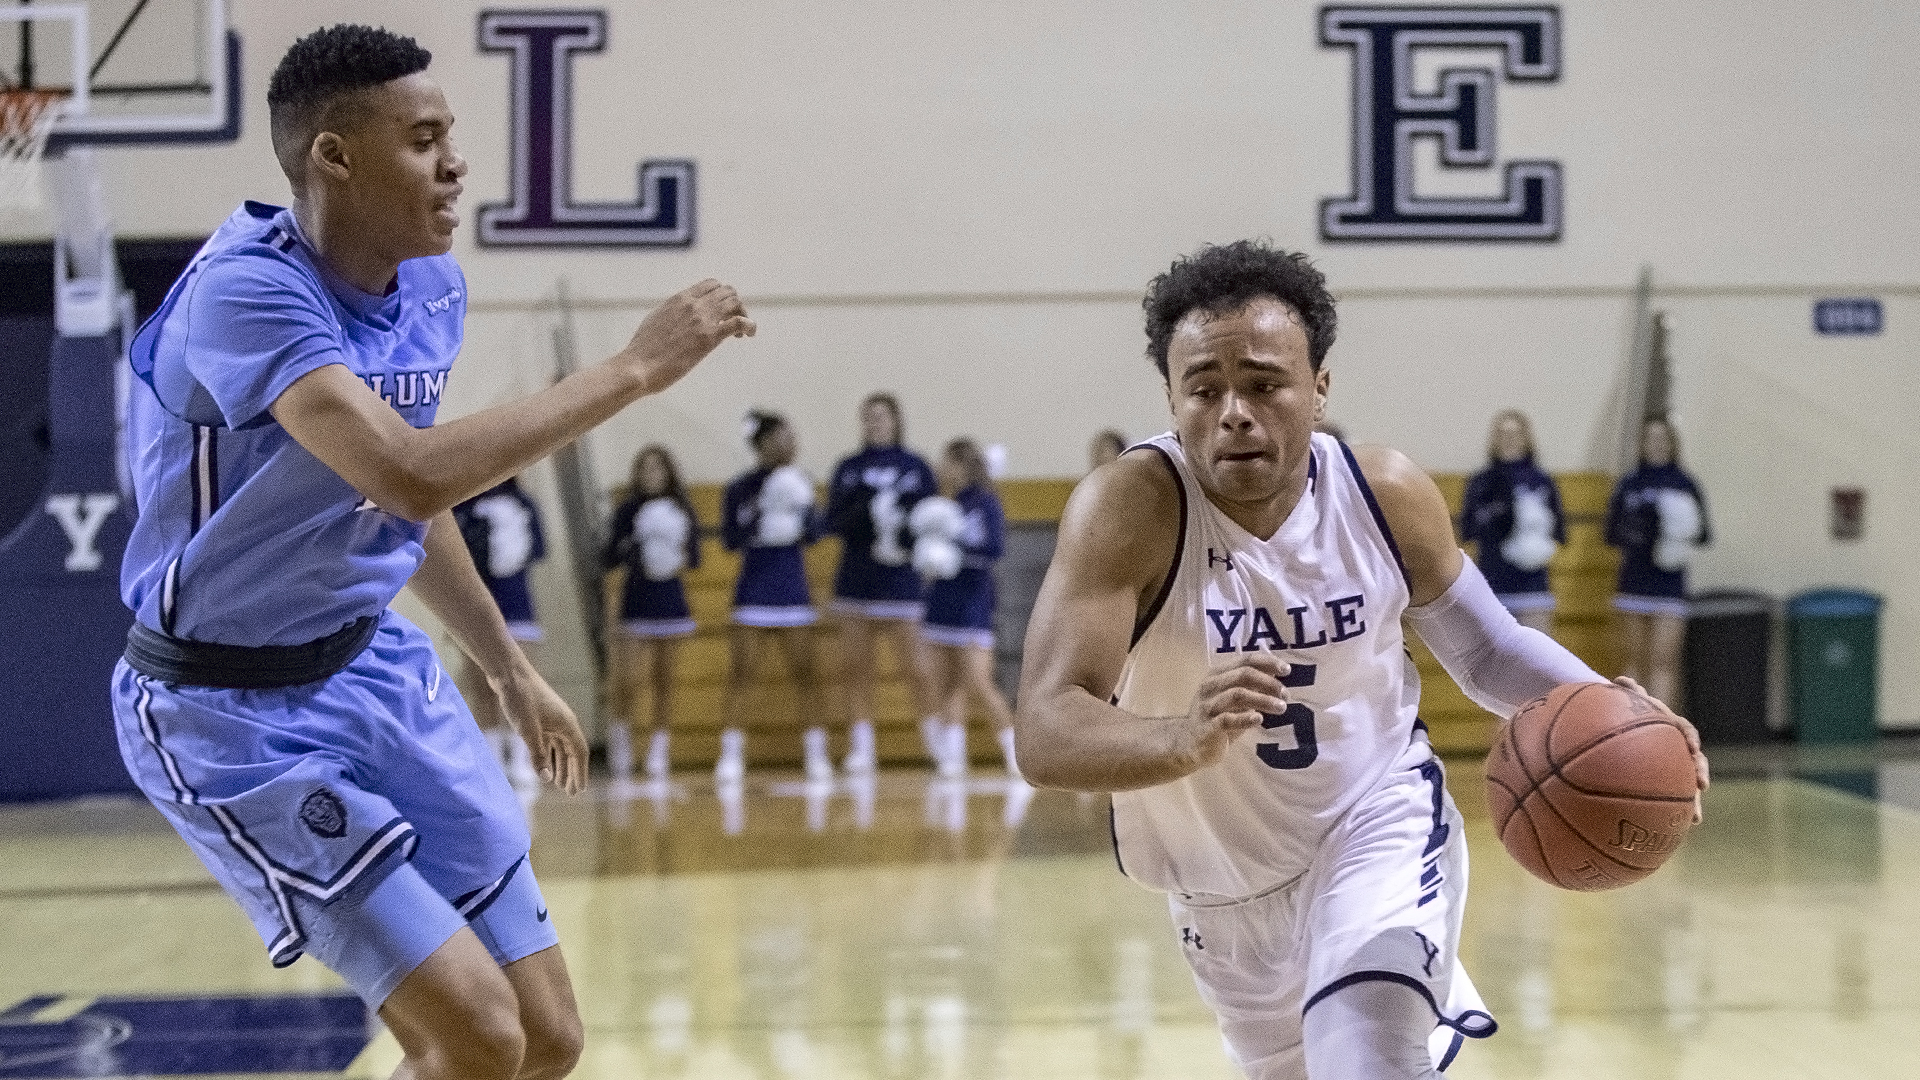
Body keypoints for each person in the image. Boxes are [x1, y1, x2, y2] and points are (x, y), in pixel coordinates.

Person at [109, 26, 752, 1080]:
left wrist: (509, 667)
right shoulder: (246, 292)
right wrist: (634, 369)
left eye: (452, 136)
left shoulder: (431, 289)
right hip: (227, 710)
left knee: (545, 1039)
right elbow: (407, 470)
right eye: (423, 139)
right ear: (334, 156)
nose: (456, 163)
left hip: (372, 669)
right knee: (475, 1035)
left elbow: (407, 501)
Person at [1013, 240, 1707, 1080]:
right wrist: (1179, 736)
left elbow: (1487, 649)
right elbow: (1046, 731)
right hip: (1221, 888)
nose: (1234, 411)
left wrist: (1631, 722)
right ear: (1171, 395)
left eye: (1264, 384)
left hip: (1375, 824)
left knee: (1366, 1056)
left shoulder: (1383, 493)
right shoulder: (1131, 509)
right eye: (1204, 389)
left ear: (1320, 386)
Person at [826, 392, 939, 775]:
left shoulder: (916, 466)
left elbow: (931, 519)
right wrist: (863, 512)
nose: (875, 423)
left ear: (896, 421)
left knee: (918, 669)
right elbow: (834, 520)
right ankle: (862, 748)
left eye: (882, 416)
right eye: (869, 417)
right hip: (856, 580)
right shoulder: (848, 467)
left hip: (901, 581)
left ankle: (936, 743)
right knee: (857, 667)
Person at [718, 411, 826, 783]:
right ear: (762, 444)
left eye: (791, 437)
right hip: (753, 591)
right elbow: (730, 539)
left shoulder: (801, 481)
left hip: (793, 591)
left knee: (806, 674)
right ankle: (730, 756)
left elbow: (816, 534)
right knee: (741, 674)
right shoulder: (740, 488)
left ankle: (817, 756)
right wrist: (762, 514)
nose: (789, 445)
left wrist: (803, 511)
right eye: (780, 438)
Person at [915, 438, 1017, 779]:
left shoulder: (985, 503)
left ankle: (1015, 754)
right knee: (945, 684)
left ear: (964, 465)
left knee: (978, 681)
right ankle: (953, 760)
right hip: (942, 600)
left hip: (972, 602)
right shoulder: (946, 504)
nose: (943, 469)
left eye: (949, 462)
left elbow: (993, 548)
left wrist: (956, 551)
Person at [601, 445, 700, 789]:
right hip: (636, 600)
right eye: (645, 468)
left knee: (664, 681)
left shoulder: (681, 507)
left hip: (671, 600)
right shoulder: (627, 509)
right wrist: (632, 546)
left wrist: (674, 549)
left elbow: (695, 556)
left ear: (668, 472)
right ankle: (622, 744)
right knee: (627, 680)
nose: (651, 474)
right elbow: (608, 555)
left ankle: (659, 751)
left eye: (658, 468)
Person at [1604, 416, 1710, 708]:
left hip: (1670, 583)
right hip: (1633, 582)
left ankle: (1662, 728)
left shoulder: (1685, 483)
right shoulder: (1629, 483)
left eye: (1662, 438)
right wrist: (1638, 529)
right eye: (1649, 438)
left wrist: (1675, 529)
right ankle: (1632, 728)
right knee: (1633, 662)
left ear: (1672, 443)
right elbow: (1611, 533)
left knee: (1665, 662)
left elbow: (1703, 534)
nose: (1656, 444)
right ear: (1641, 444)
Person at [451, 476, 549, 791]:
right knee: (481, 686)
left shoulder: (523, 503)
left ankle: (525, 756)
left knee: (521, 684)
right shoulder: (462, 503)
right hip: (474, 603)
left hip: (516, 603)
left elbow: (539, 548)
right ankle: (491, 759)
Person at [1460, 410, 1566, 633]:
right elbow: (1468, 530)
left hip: (1533, 588)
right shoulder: (1481, 482)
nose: (1509, 439)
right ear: (1494, 438)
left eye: (1516, 434)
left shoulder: (1541, 480)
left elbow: (1558, 532)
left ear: (1526, 438)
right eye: (1502, 434)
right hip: (1492, 585)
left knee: (1538, 662)